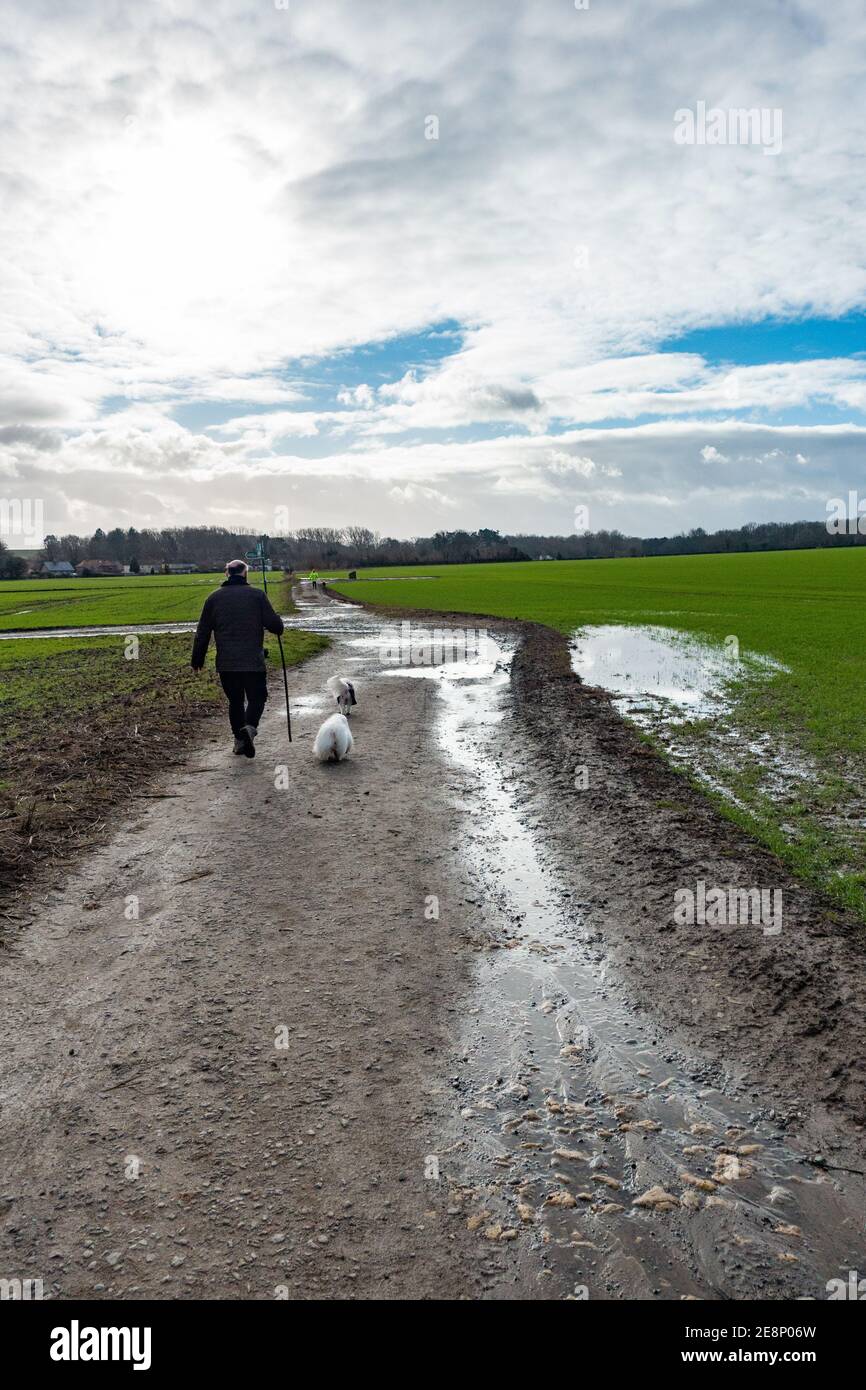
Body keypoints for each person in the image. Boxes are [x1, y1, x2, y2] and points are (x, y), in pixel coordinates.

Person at [191, 559, 284, 758]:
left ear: (227, 574)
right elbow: (275, 626)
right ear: (245, 573)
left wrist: (197, 659)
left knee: (235, 701)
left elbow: (202, 632)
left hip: (227, 663)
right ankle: (249, 728)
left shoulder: (213, 599)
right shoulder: (257, 596)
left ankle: (239, 741)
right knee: (257, 697)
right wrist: (277, 621)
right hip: (253, 661)